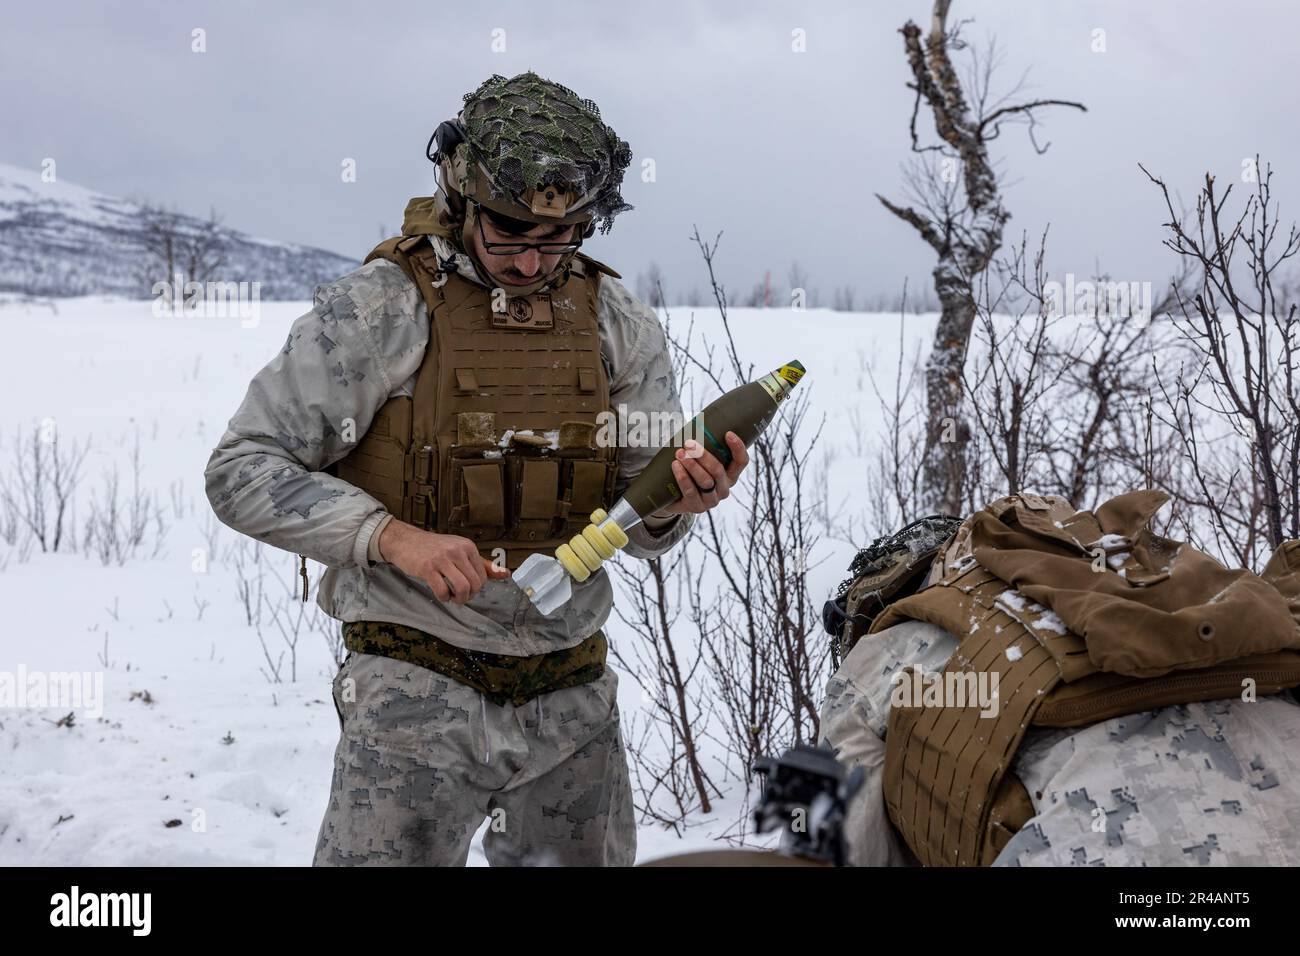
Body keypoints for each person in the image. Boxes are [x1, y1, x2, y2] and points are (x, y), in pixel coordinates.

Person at [204, 71, 749, 866]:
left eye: (558, 240)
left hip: (570, 697)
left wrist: (677, 502)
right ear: (460, 200)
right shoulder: (380, 308)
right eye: (509, 236)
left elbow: (639, 512)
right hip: (413, 686)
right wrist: (391, 538)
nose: (532, 263)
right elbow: (242, 469)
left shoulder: (616, 320)